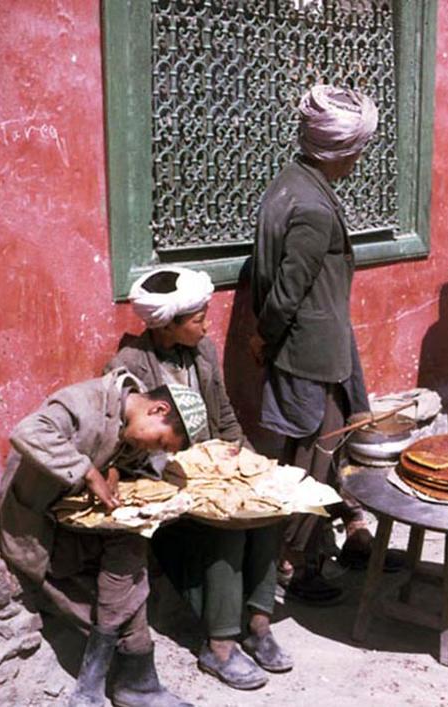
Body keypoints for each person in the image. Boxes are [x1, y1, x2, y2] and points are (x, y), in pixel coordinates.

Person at [106, 266, 290, 690]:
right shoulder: (130, 367)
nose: (206, 327)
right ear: (167, 324)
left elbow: (224, 417)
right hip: (162, 482)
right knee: (227, 530)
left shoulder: (203, 354)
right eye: (197, 320)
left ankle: (258, 623)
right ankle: (220, 645)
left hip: (211, 469)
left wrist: (249, 462)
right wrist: (183, 473)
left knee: (267, 506)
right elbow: (126, 447)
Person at [0, 369, 200, 707]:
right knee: (119, 595)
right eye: (161, 442)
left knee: (132, 549)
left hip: (82, 528)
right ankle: (134, 679)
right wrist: (89, 473)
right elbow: (28, 431)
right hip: (37, 526)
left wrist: (115, 470)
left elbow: (124, 461)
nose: (155, 449)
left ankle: (100, 681)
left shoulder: (132, 427)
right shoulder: (83, 402)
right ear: (158, 410)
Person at [250, 85, 380, 604]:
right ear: (341, 150)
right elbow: (287, 291)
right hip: (308, 355)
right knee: (310, 465)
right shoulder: (314, 208)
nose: (359, 159)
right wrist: (266, 336)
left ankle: (318, 550)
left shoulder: (293, 183)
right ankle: (290, 569)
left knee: (317, 457)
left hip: (313, 349)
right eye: (357, 150)